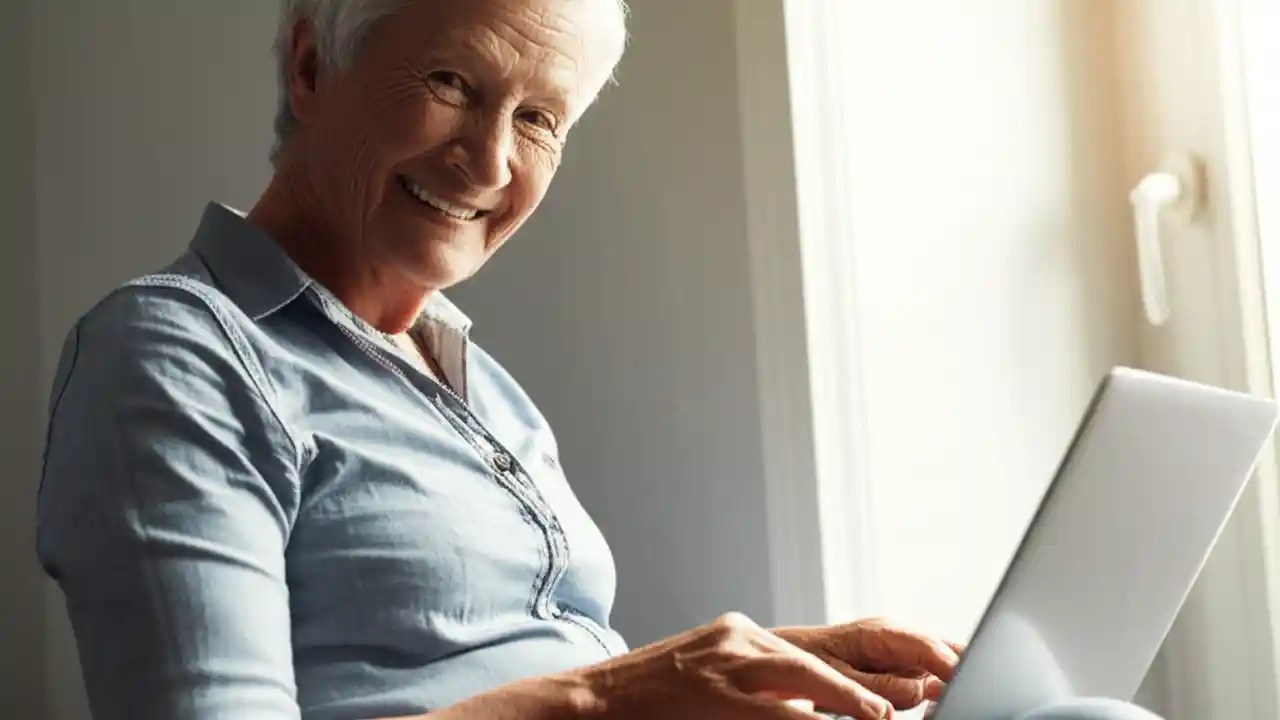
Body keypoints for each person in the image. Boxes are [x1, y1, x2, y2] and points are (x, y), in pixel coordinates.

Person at [36, 1, 962, 718]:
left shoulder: (484, 390)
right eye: (451, 82)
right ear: (312, 67)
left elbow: (543, 674)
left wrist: (771, 671)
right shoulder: (177, 351)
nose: (487, 163)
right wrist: (613, 698)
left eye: (539, 120)